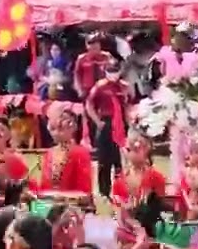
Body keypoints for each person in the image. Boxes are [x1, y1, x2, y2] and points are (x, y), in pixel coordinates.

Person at [86, 59, 131, 199]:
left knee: (119, 159)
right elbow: (89, 105)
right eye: (110, 71)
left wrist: (129, 122)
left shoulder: (124, 86)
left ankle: (120, 190)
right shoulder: (100, 86)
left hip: (121, 124)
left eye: (115, 71)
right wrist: (98, 122)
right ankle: (104, 192)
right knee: (104, 160)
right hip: (106, 122)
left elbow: (128, 104)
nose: (113, 74)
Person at [32, 109, 94, 195]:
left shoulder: (80, 153)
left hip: (72, 205)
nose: (59, 122)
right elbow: (44, 187)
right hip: (49, 203)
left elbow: (84, 190)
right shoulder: (49, 153)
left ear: (73, 127)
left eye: (63, 120)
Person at [112, 132, 169, 209]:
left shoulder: (155, 177)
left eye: (135, 150)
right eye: (128, 150)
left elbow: (160, 204)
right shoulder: (119, 180)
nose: (130, 153)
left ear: (147, 151)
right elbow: (117, 206)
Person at [72, 33, 112, 109]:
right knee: (88, 110)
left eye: (96, 43)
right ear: (87, 46)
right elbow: (76, 75)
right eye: (90, 43)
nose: (93, 46)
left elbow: (112, 71)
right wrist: (79, 89)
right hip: (87, 90)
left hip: (103, 89)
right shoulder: (82, 58)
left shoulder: (106, 56)